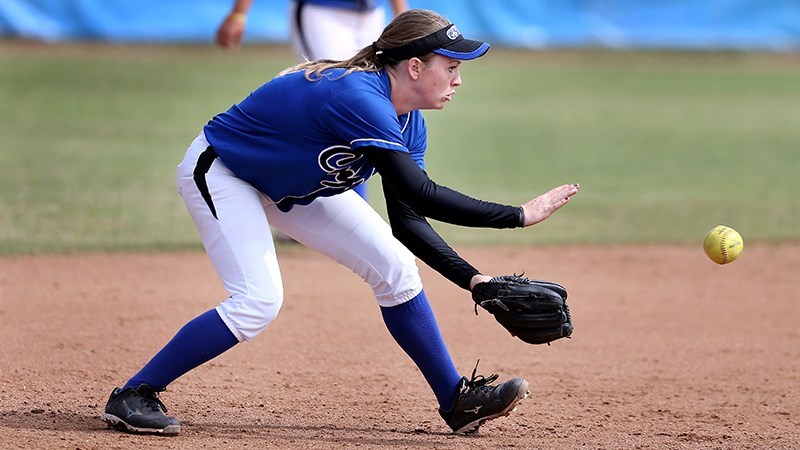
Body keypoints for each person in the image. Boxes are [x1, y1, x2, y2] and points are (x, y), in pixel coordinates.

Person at [102, 9, 580, 437]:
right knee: (258, 301)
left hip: (296, 186)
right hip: (227, 170)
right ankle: (134, 394)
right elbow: (422, 193)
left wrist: (476, 282)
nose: (458, 79)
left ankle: (456, 401)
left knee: (397, 268)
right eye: (450, 67)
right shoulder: (359, 95)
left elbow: (408, 220)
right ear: (415, 67)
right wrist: (517, 216)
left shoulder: (408, 119)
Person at [216, 0, 409, 201]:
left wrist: (400, 15)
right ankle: (336, 214)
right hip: (321, 11)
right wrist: (239, 13)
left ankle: (306, 211)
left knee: (375, 100)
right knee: (345, 102)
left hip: (371, 14)